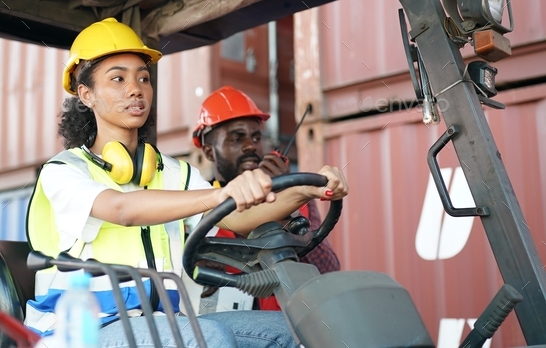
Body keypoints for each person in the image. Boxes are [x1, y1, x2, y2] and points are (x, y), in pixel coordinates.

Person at [24, 18, 348, 348]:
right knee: (210, 337)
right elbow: (121, 209)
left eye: (143, 78)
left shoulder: (173, 172)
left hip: (163, 323)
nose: (135, 89)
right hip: (79, 331)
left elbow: (239, 219)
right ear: (87, 94)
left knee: (294, 329)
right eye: (118, 78)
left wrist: (307, 190)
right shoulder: (64, 170)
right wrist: (223, 193)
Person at [192, 86, 340, 311]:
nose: (251, 145)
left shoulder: (297, 198)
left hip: (287, 333)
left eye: (256, 137)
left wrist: (284, 205)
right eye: (237, 138)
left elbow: (328, 271)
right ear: (210, 152)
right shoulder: (195, 206)